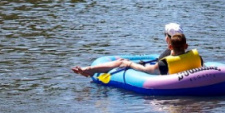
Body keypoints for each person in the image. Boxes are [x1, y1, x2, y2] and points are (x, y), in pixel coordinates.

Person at [71, 31, 203, 78]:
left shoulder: (165, 64)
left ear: (169, 46)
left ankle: (89, 70)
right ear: (186, 46)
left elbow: (146, 70)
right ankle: (89, 70)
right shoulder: (198, 59)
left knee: (123, 62)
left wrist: (129, 64)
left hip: (165, 79)